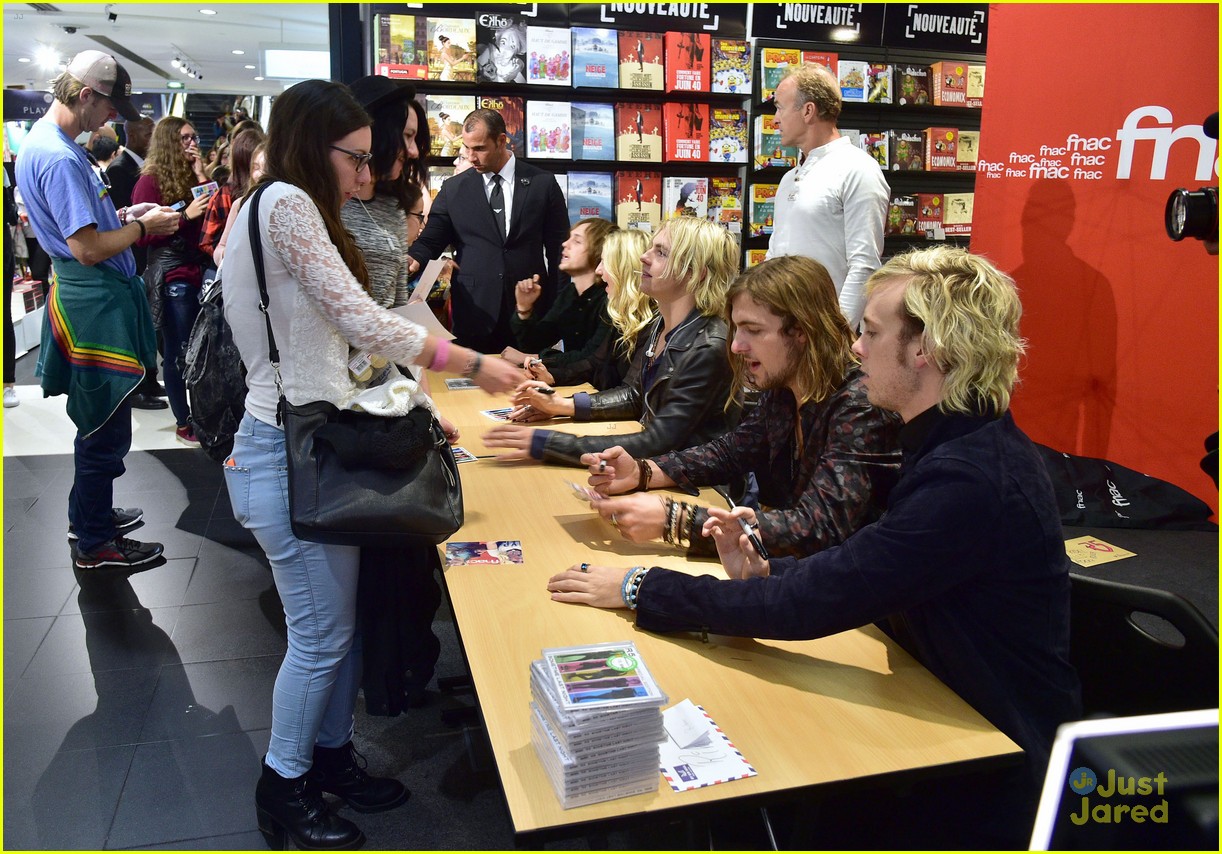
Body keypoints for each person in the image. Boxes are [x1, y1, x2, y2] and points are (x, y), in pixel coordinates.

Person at [547, 245, 1081, 843]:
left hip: (989, 764)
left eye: (872, 332)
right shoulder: (958, 444)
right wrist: (768, 576)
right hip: (938, 699)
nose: (856, 347)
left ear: (926, 348)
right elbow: (860, 567)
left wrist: (641, 585)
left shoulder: (967, 479)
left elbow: (825, 590)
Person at [221, 79, 520, 850]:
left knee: (334, 632)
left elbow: (338, 333)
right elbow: (359, 318)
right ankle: (283, 785)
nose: (366, 174)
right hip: (293, 449)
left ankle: (325, 762)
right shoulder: (286, 203)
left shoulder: (268, 205)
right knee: (320, 638)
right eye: (354, 158)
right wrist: (466, 360)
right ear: (312, 143)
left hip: (300, 441)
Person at [582, 255, 902, 558]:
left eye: (754, 330)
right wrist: (643, 471)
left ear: (802, 331)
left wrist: (676, 520)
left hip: (855, 605)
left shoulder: (861, 404)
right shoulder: (785, 387)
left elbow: (821, 528)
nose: (735, 345)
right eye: (737, 328)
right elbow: (730, 452)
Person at [15, 49, 181, 570]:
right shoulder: (62, 156)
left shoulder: (52, 146)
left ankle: (88, 519)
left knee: (99, 422)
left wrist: (126, 213)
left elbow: (82, 230)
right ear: (86, 95)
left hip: (90, 297)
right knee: (103, 426)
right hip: (93, 302)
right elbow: (86, 248)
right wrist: (141, 229)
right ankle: (95, 541)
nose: (111, 118)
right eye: (110, 107)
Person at [343, 74, 451, 714]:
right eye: (404, 136)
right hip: (363, 408)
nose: (412, 152)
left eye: (417, 138)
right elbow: (362, 328)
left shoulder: (380, 207)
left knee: (403, 568)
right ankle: (386, 687)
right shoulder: (334, 210)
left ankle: (399, 676)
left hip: (390, 400)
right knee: (387, 570)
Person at [483, 216, 739, 466]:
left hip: (699, 488)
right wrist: (560, 406)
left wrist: (549, 442)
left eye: (660, 252)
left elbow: (659, 441)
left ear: (695, 274)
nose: (644, 257)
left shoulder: (708, 345)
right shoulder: (661, 325)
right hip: (657, 471)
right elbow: (634, 395)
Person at [407, 109, 568, 354]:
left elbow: (560, 250)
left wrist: (558, 306)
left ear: (502, 141)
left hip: (530, 313)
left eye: (479, 148)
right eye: (466, 148)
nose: (471, 157)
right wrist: (414, 257)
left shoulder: (542, 184)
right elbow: (432, 239)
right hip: (474, 314)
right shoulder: (454, 189)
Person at [766, 63, 890, 330]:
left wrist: (837, 334)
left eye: (780, 107)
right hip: (783, 329)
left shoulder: (859, 169)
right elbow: (774, 255)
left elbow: (864, 264)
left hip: (824, 334)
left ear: (808, 111)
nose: (775, 119)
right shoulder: (789, 178)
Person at [132, 117, 213, 445]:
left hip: (199, 272)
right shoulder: (149, 181)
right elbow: (139, 237)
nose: (192, 143)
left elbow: (215, 217)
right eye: (184, 138)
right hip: (173, 276)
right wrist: (183, 217)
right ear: (168, 142)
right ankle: (184, 421)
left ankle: (204, 416)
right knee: (180, 354)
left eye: (194, 137)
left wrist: (201, 175)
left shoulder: (191, 174)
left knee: (204, 352)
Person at [519, 227, 652, 391]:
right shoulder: (571, 294)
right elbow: (594, 363)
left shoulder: (642, 316)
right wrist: (551, 376)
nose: (599, 270)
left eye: (577, 240)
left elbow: (630, 394)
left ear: (623, 268)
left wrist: (565, 405)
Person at [501, 217, 617, 373]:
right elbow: (535, 343)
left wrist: (533, 359)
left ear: (599, 251)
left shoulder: (610, 296)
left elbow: (590, 357)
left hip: (598, 389)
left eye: (577, 242)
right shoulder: (569, 293)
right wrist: (524, 308)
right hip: (571, 382)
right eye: (568, 238)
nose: (565, 244)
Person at [199, 126, 264, 265]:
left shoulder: (268, 193)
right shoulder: (228, 197)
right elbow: (208, 242)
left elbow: (206, 242)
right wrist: (227, 255)